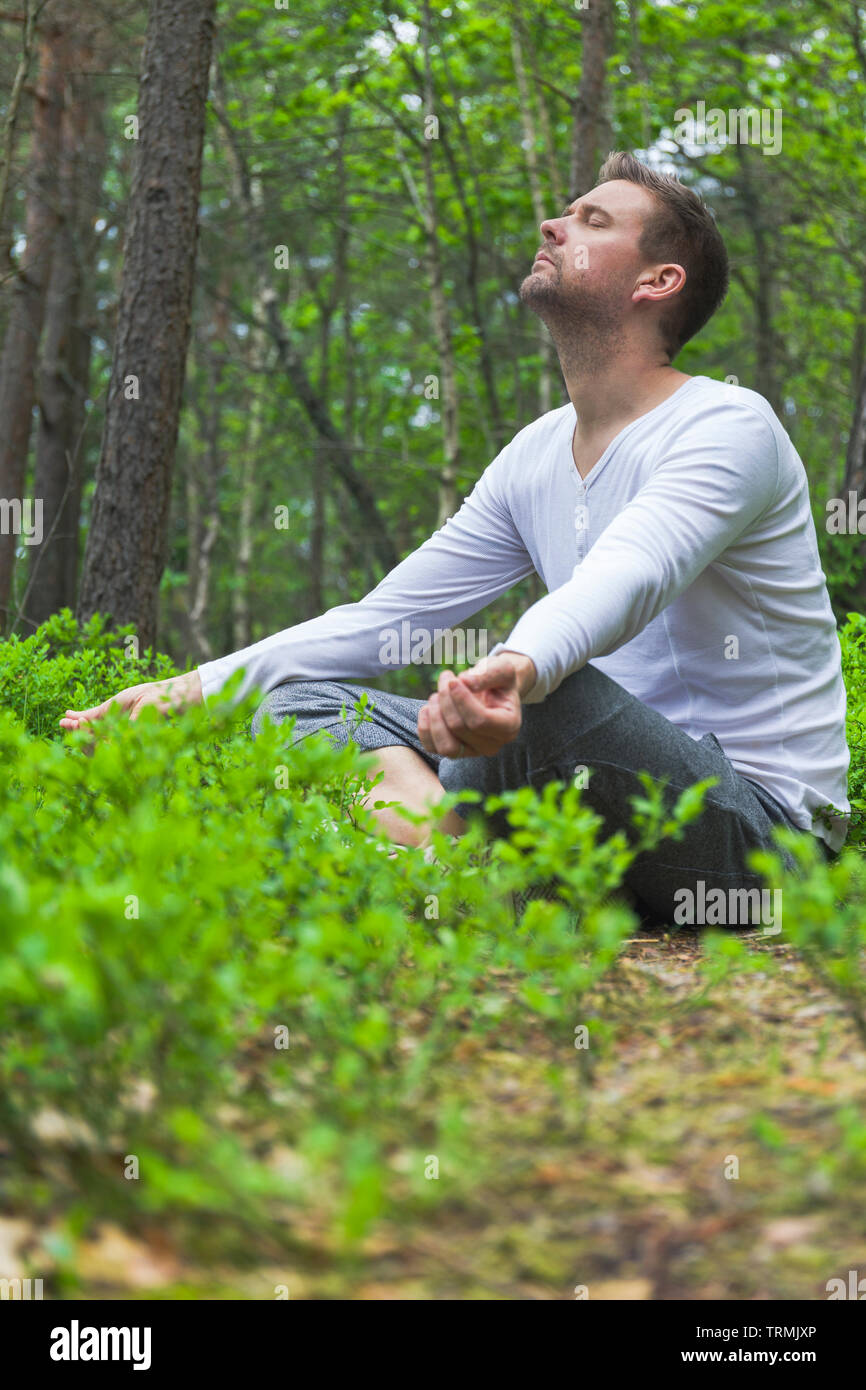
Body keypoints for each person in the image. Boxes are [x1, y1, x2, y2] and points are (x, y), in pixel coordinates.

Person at [60, 151, 849, 924]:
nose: (552, 223)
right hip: (582, 794)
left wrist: (511, 670)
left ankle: (486, 890)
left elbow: (631, 573)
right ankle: (482, 891)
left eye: (590, 219)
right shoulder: (536, 454)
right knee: (299, 707)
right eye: (566, 211)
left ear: (657, 281)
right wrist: (190, 691)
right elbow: (383, 623)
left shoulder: (728, 425)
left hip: (757, 835)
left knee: (541, 700)